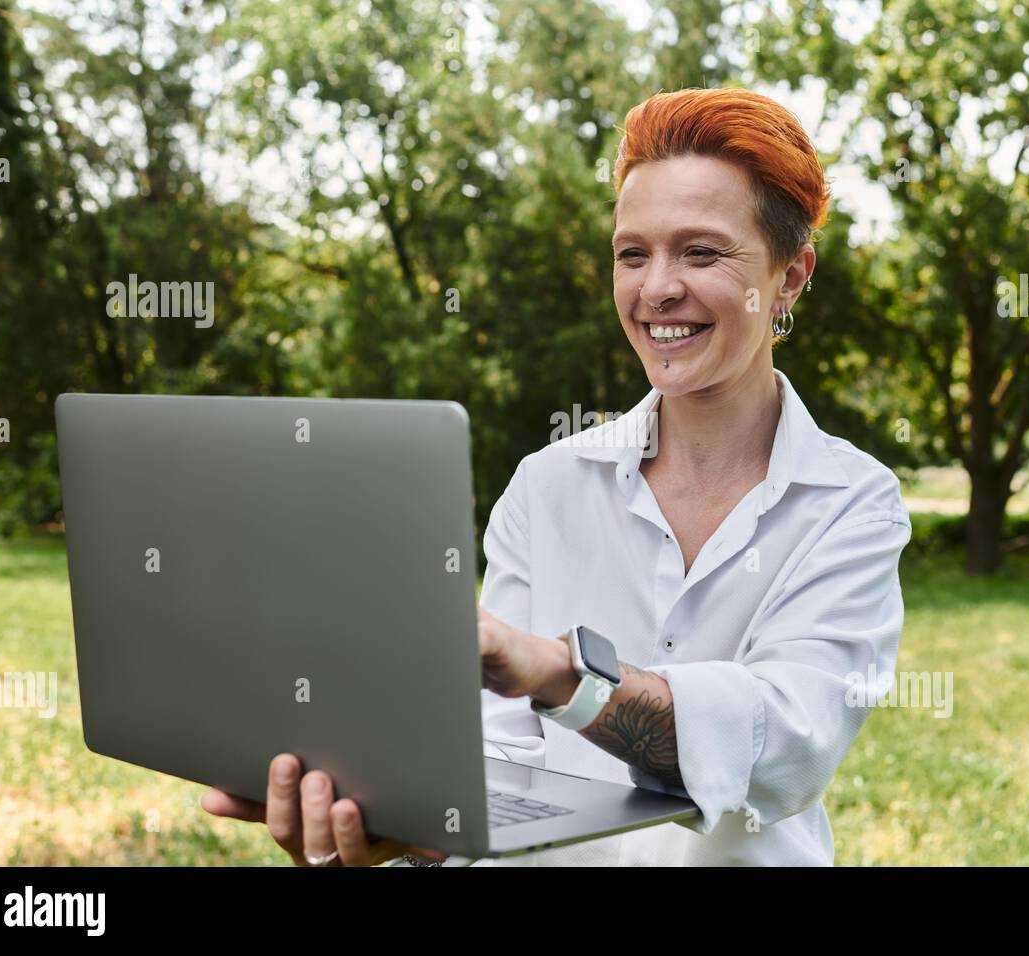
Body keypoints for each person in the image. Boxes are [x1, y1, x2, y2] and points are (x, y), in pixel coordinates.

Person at [202, 86, 912, 867]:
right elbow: (493, 765)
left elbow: (784, 746)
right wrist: (403, 833)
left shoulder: (853, 503)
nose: (657, 289)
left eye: (702, 252)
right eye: (632, 253)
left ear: (790, 277)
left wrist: (557, 672)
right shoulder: (545, 486)